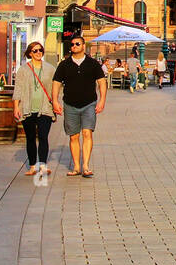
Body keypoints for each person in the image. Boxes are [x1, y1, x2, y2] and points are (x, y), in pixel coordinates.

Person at [52, 36, 106, 178]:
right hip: (70, 104)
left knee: (87, 133)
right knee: (73, 136)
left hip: (89, 104)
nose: (74, 46)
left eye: (77, 44)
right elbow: (56, 83)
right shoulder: (64, 64)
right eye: (72, 44)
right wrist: (55, 101)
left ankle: (86, 166)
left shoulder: (93, 64)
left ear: (83, 46)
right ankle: (76, 167)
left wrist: (102, 101)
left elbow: (102, 82)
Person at [12, 41, 57, 177]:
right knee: (30, 137)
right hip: (27, 107)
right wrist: (15, 107)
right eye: (35, 51)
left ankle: (42, 165)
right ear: (30, 53)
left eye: (40, 50)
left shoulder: (50, 69)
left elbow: (56, 87)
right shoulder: (23, 70)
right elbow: (18, 89)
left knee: (43, 137)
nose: (38, 53)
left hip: (45, 108)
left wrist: (56, 102)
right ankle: (32, 166)